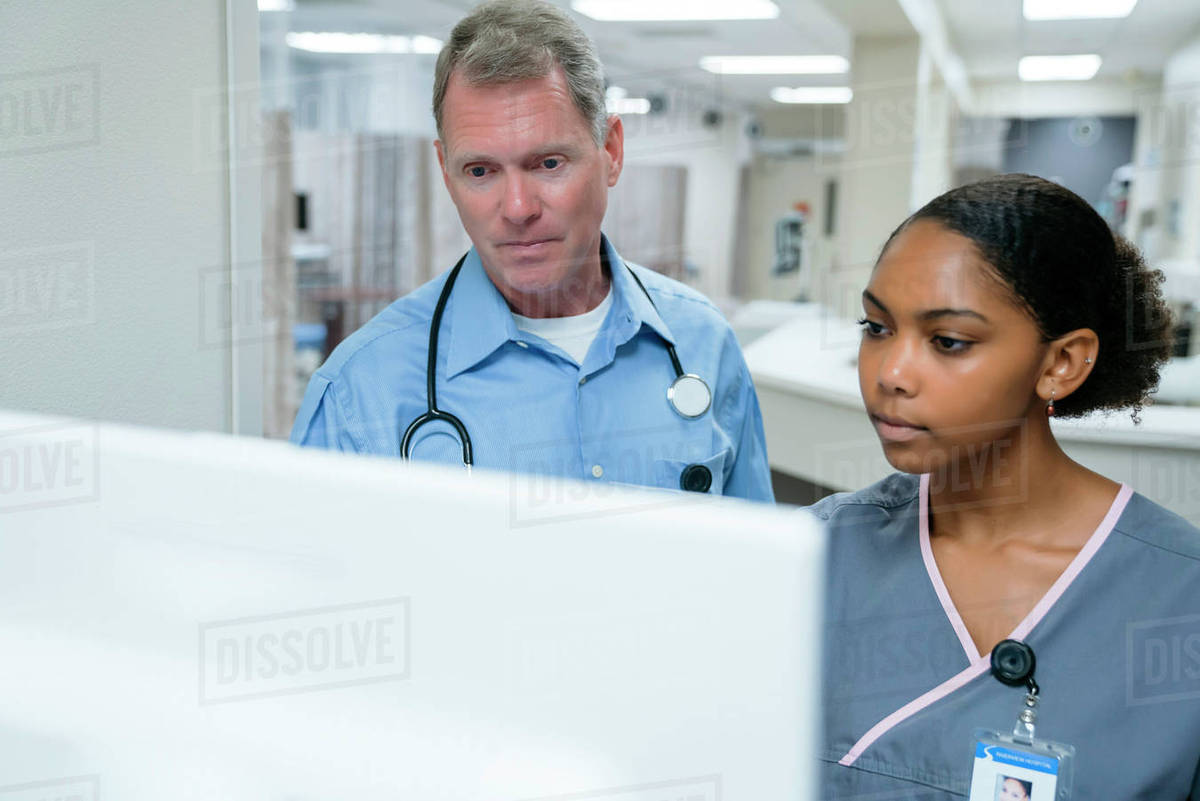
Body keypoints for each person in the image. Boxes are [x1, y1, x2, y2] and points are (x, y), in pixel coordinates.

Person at [289, 0, 773, 501]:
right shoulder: (361, 389)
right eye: (480, 171)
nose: (518, 208)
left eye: (547, 163)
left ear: (611, 151)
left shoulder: (704, 343)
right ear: (446, 172)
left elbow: (759, 567)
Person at [812, 174, 1200, 798]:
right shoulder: (813, 556)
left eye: (948, 342)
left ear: (1060, 363)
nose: (890, 373)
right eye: (876, 326)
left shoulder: (1180, 597)